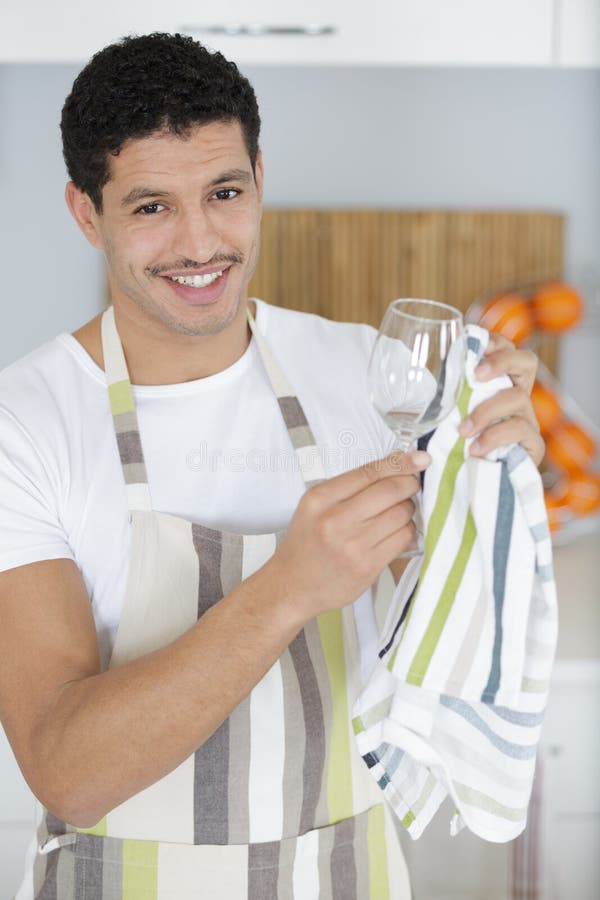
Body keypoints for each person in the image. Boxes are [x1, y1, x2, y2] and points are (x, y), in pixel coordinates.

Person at [0, 32, 543, 899]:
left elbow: (442, 616)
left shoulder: (369, 374)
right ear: (84, 213)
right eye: (150, 207)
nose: (200, 241)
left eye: (225, 192)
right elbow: (68, 771)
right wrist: (291, 585)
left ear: (260, 177)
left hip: (345, 876)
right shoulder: (23, 424)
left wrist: (496, 478)